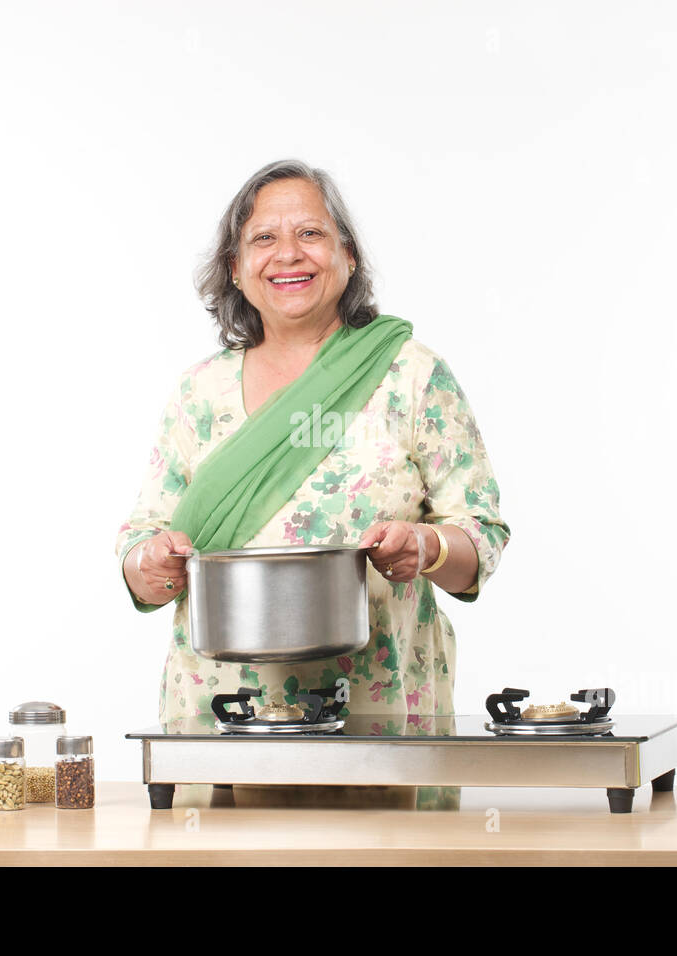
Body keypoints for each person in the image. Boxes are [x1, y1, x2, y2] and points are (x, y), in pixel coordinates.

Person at [116, 159, 509, 738]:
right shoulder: (200, 392)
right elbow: (141, 544)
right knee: (223, 832)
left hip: (379, 711)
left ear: (348, 255)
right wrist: (150, 564)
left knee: (380, 832)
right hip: (221, 717)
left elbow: (482, 535)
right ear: (237, 268)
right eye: (264, 239)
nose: (288, 254)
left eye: (310, 233)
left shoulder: (410, 375)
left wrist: (426, 548)